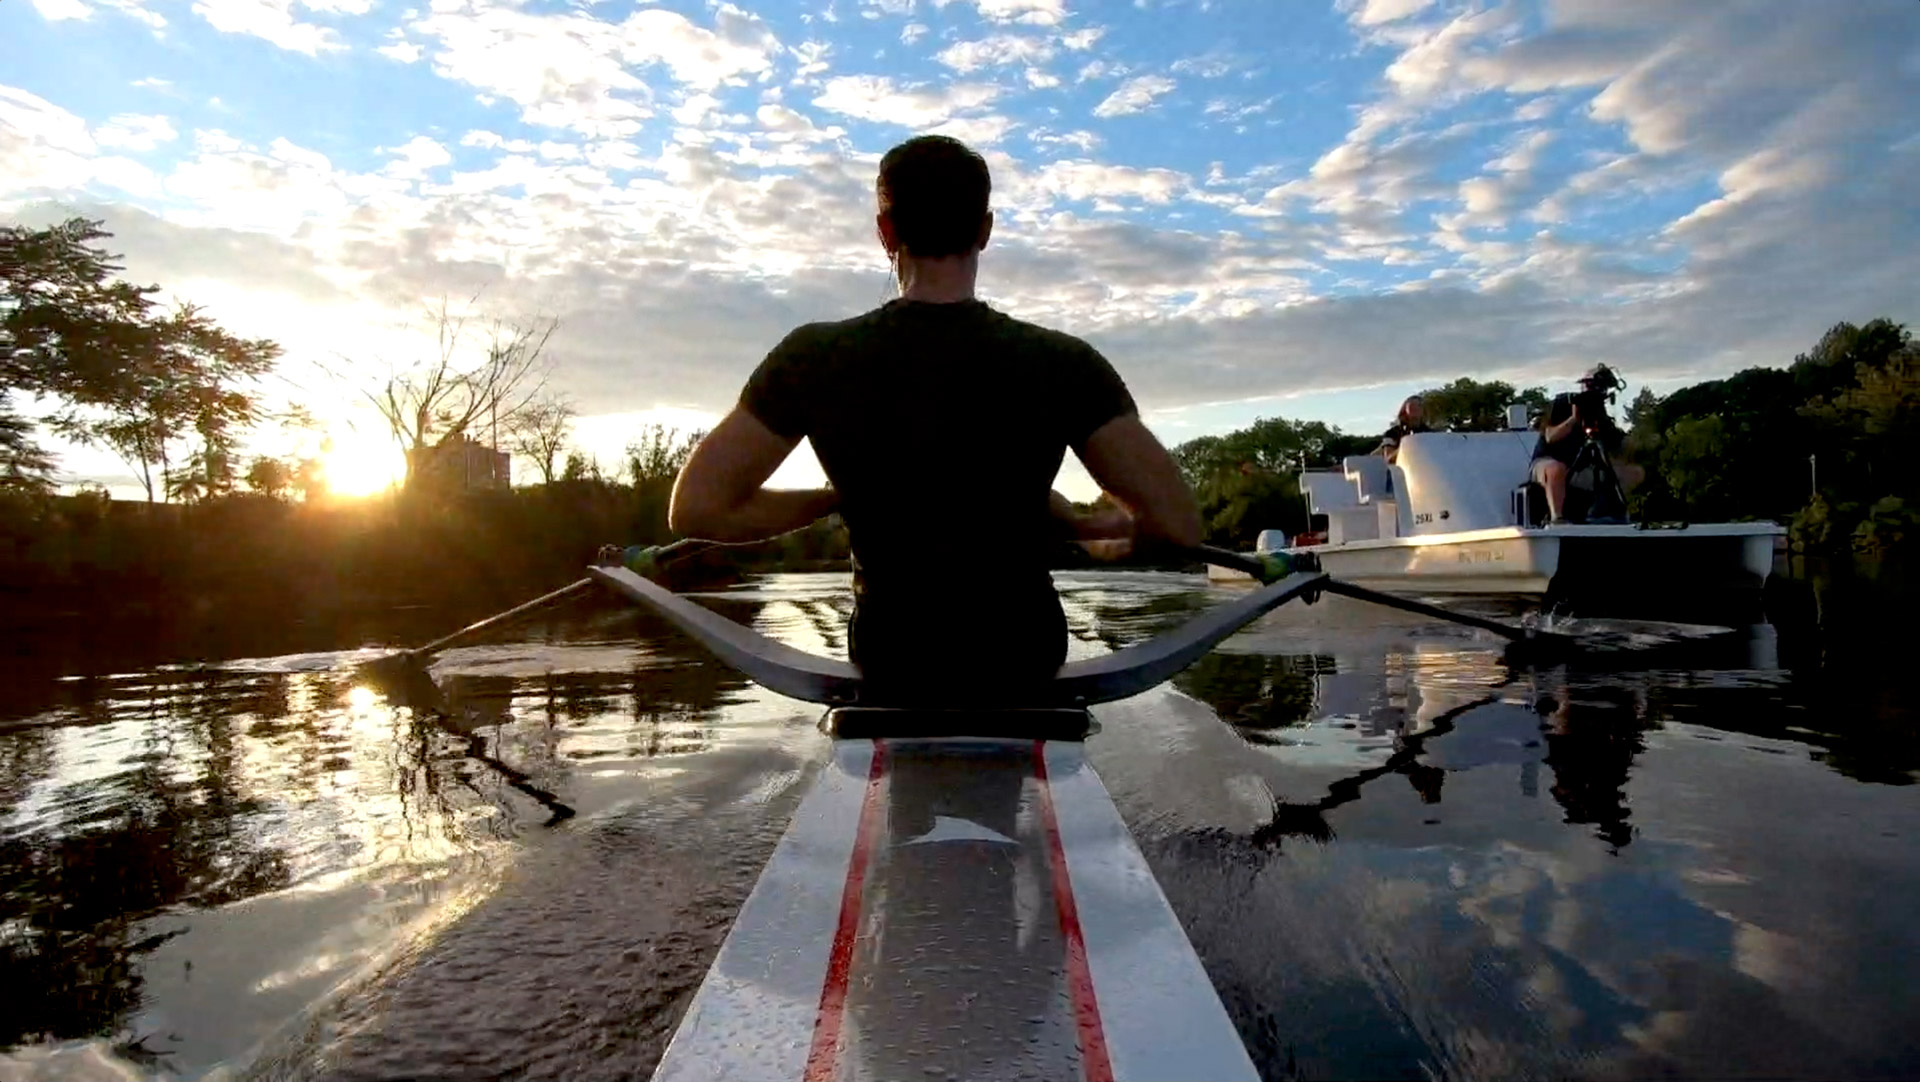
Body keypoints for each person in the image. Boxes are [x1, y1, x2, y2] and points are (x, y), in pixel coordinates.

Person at [666, 134, 1202, 693]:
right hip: (1022, 649)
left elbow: (699, 509)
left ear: (886, 232)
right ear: (985, 230)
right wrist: (1080, 524)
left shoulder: (813, 357)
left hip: (893, 653)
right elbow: (1179, 525)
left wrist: (839, 496)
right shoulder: (1063, 362)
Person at [1530, 368, 1642, 524]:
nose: (1593, 391)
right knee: (1556, 469)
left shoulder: (1599, 412)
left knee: (1633, 473)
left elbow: (1618, 445)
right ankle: (1557, 518)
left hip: (1579, 467)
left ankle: (1609, 512)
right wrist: (1574, 418)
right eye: (1590, 386)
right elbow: (1550, 437)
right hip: (1546, 463)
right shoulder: (1563, 402)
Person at [1376, 395, 1429, 465]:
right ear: (1405, 410)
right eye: (1412, 407)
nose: (1415, 410)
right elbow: (1388, 458)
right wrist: (1407, 448)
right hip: (1401, 472)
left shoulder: (1430, 433)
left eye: (1419, 407)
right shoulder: (1392, 433)